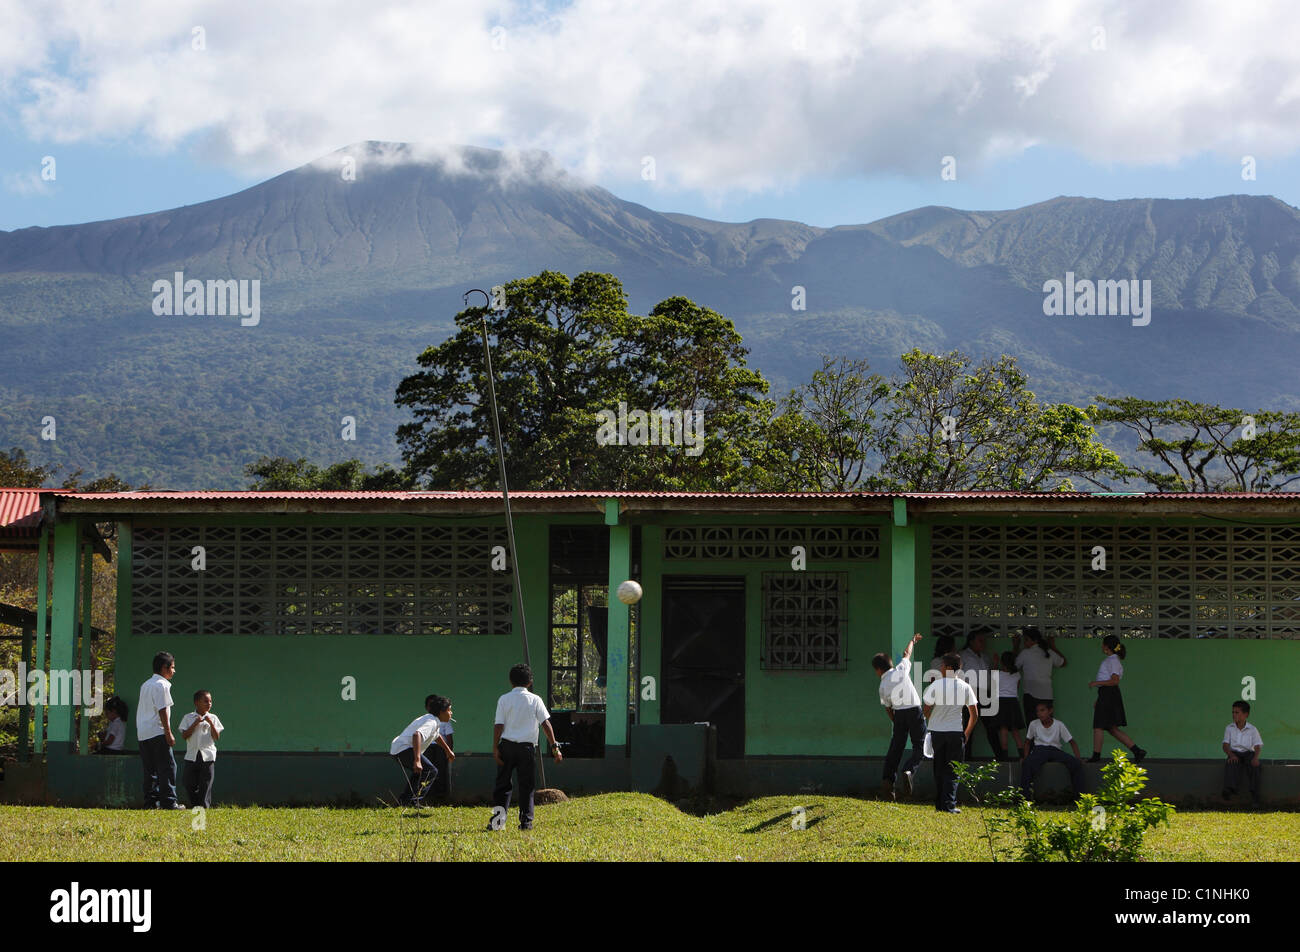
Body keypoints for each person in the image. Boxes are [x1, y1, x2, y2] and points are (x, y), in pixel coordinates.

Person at [491, 664, 562, 831]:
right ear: (530, 682)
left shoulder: (504, 699)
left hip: (506, 746)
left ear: (511, 681)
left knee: (502, 786)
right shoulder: (535, 699)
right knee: (527, 786)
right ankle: (526, 822)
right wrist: (554, 747)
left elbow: (498, 725)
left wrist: (495, 747)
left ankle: (498, 823)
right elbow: (546, 724)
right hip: (527, 749)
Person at [922, 652, 978, 814]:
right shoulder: (965, 686)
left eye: (941, 665)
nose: (939, 668)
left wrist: (933, 719)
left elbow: (926, 709)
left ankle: (940, 804)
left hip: (937, 733)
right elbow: (974, 715)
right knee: (953, 770)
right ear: (959, 667)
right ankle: (949, 805)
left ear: (947, 667)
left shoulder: (935, 685)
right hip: (955, 732)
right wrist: (966, 733)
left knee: (938, 769)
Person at [872, 632, 926, 800]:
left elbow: (888, 708)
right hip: (915, 711)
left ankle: (888, 785)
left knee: (895, 749)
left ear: (879, 670)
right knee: (920, 746)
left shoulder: (882, 685)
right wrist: (912, 641)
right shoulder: (901, 669)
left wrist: (896, 722)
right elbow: (906, 654)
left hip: (899, 714)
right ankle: (909, 770)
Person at [1088, 635, 1147, 763]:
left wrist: (1095, 683)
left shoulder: (1111, 661)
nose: (1101, 646)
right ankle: (1137, 750)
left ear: (1107, 647)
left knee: (1098, 726)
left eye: (1103, 644)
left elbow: (1114, 681)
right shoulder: (1112, 660)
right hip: (1107, 694)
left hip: (1108, 694)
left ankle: (1096, 755)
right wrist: (1099, 698)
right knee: (1111, 728)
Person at [136, 651, 183, 810]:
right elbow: (162, 710)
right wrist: (168, 732)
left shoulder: (146, 684)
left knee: (150, 769)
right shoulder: (162, 685)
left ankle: (150, 802)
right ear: (165, 668)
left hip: (143, 733)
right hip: (157, 731)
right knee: (168, 767)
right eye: (173, 667)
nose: (174, 671)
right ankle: (169, 801)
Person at [390, 695, 455, 805]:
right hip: (403, 749)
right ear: (441, 712)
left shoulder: (433, 721)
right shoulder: (432, 722)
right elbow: (417, 735)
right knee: (430, 771)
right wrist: (417, 760)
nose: (451, 713)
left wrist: (448, 750)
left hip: (399, 749)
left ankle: (404, 801)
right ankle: (413, 802)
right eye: (449, 710)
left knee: (419, 774)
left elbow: (436, 736)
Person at [1020, 700, 1084, 800]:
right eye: (1038, 711)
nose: (1039, 713)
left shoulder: (1059, 724)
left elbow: (1072, 742)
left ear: (1050, 711)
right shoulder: (1034, 724)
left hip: (1055, 750)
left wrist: (1078, 758)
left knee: (1076, 764)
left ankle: (1079, 798)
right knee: (1027, 764)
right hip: (1039, 750)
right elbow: (1027, 742)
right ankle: (1025, 798)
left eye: (1042, 710)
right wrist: (1025, 757)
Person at [960, 629, 1005, 760]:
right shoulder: (963, 655)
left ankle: (1000, 757)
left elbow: (991, 674)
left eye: (984, 641)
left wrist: (996, 664)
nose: (983, 643)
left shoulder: (985, 657)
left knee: (991, 727)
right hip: (970, 694)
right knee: (969, 727)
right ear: (971, 641)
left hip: (985, 694)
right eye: (980, 641)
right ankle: (965, 758)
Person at [179, 690, 225, 809]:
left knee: (206, 784)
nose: (209, 704)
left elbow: (216, 737)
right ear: (196, 703)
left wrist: (211, 724)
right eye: (205, 701)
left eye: (210, 701)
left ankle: (204, 808)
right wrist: (195, 723)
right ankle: (195, 805)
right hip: (192, 755)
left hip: (207, 755)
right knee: (188, 782)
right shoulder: (188, 717)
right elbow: (184, 736)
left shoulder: (213, 718)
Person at [1014, 627, 1067, 727]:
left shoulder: (1025, 653)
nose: (1024, 643)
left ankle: (1033, 743)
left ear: (1035, 640)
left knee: (1032, 726)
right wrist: (1053, 646)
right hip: (1046, 695)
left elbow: (1013, 667)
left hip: (1030, 695)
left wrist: (1015, 647)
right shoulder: (1049, 652)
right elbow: (1063, 662)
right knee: (1047, 726)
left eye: (1026, 640)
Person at [1222, 700, 1262, 806]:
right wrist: (1231, 755)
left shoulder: (1252, 729)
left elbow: (1257, 745)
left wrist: (1256, 758)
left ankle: (1255, 796)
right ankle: (1229, 790)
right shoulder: (1229, 728)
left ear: (1246, 714)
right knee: (1231, 763)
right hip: (1235, 753)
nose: (1234, 715)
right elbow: (1225, 745)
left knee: (1255, 767)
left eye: (1237, 712)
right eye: (1233, 712)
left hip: (1249, 753)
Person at [995, 651, 1026, 760]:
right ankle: (1022, 756)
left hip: (1001, 702)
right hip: (1013, 702)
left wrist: (995, 663)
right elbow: (1017, 688)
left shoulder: (997, 674)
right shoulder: (1017, 674)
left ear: (1001, 662)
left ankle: (1004, 756)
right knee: (1015, 730)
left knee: (1003, 729)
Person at [430, 710, 455, 804]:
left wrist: (449, 752)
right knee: (429, 771)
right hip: (429, 747)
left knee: (440, 771)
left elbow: (449, 738)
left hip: (441, 748)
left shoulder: (446, 721)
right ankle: (429, 795)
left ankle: (440, 797)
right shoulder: (429, 721)